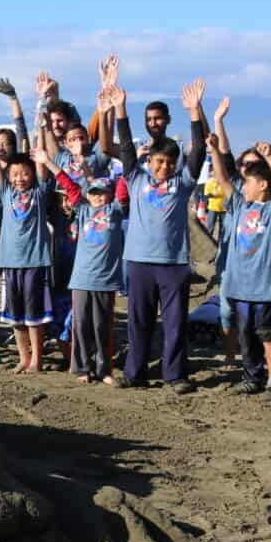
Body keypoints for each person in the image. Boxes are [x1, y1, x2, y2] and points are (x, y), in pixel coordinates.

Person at [112, 74, 207, 393]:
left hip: (173, 264)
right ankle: (135, 373)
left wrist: (195, 112)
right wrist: (121, 109)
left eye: (169, 162)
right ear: (149, 162)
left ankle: (176, 375)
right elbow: (125, 147)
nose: (163, 167)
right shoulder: (137, 180)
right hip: (138, 261)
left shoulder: (182, 185)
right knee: (138, 321)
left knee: (175, 323)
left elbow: (199, 154)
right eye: (158, 162)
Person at [208, 135, 271, 397]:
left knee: (267, 334)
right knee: (245, 335)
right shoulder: (239, 207)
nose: (243, 187)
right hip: (240, 286)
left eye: (248, 183)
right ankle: (252, 377)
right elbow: (222, 180)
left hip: (264, 287)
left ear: (263, 185)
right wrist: (213, 150)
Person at [0, 116, 54, 374]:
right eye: (15, 174)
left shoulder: (39, 193)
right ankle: (24, 358)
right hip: (10, 262)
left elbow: (42, 164)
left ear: (32, 174)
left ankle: (37, 359)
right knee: (15, 315)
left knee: (34, 315)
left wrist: (42, 130)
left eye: (24, 173)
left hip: (34, 261)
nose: (20, 178)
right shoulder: (7, 192)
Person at [55, 170, 125, 384]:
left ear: (110, 195)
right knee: (81, 326)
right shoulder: (84, 210)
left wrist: (132, 162)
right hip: (81, 280)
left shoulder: (115, 210)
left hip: (105, 282)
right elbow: (71, 188)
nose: (97, 197)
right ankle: (82, 368)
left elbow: (124, 189)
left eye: (102, 193)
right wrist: (48, 163)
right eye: (94, 193)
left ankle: (104, 370)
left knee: (101, 326)